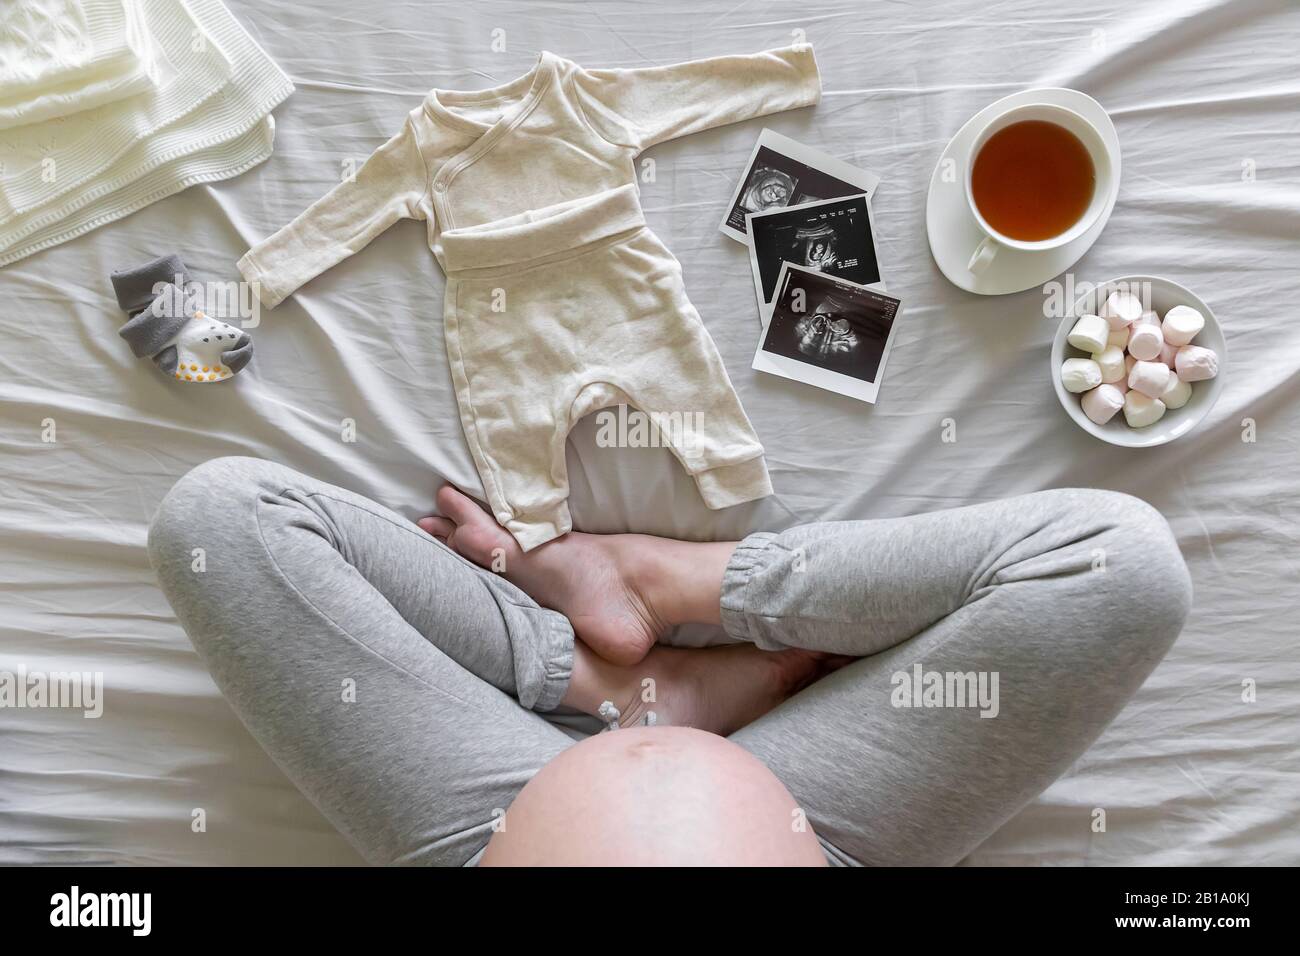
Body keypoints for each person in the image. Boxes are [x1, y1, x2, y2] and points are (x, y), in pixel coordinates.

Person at [148, 456, 1191, 866]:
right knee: (1120, 564)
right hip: (818, 835)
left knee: (223, 517)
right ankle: (669, 589)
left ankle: (600, 681)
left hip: (488, 831)